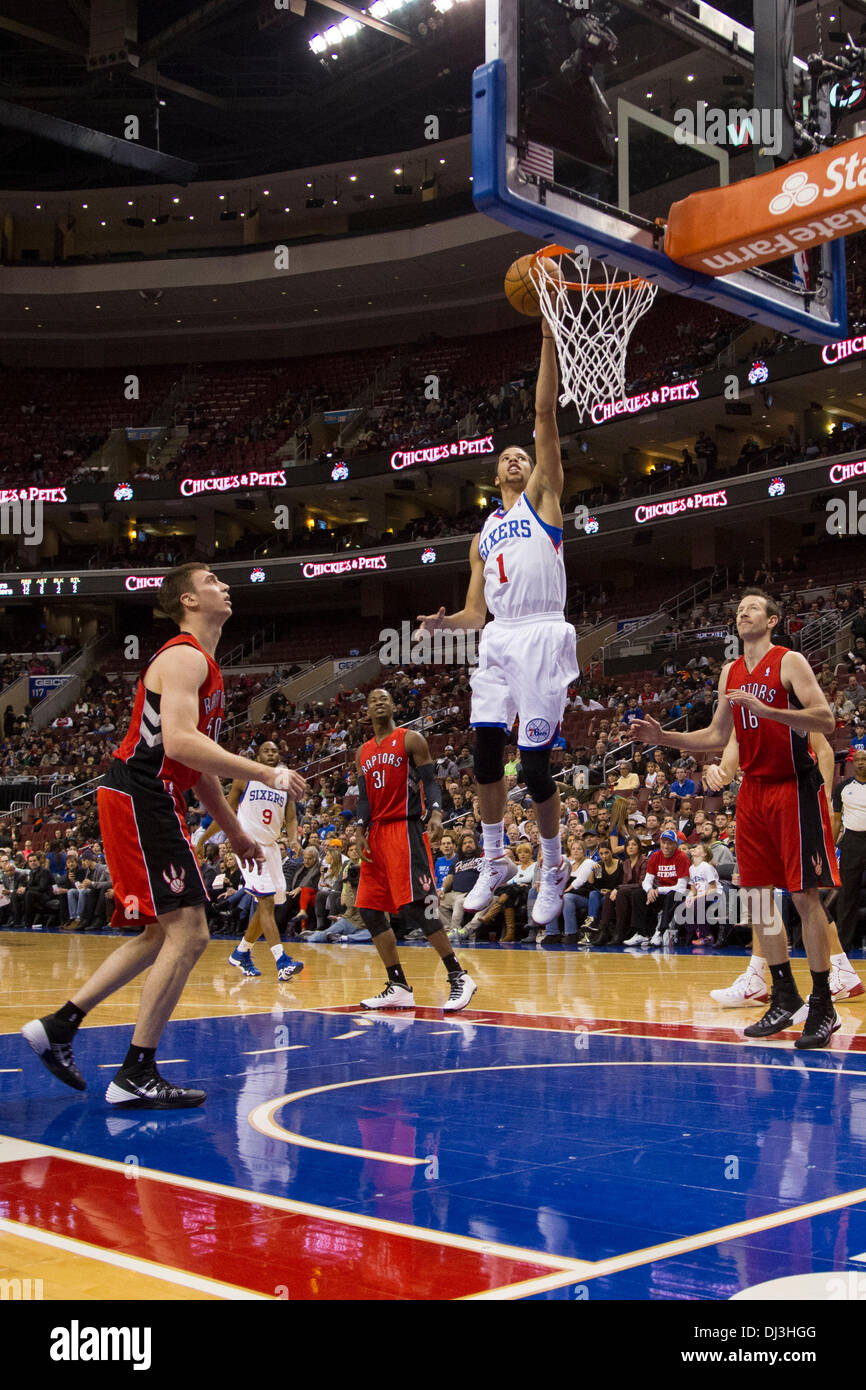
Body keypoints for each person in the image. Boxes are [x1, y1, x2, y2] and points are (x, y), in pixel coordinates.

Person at [22, 562, 306, 1108]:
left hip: (152, 794)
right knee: (192, 931)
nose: (224, 586)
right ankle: (135, 1072)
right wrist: (266, 772)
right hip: (142, 792)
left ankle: (60, 1026)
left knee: (161, 934)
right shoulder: (182, 656)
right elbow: (177, 744)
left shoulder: (204, 666)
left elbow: (198, 769)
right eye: (211, 582)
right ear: (188, 601)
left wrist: (235, 834)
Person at [415, 318, 579, 932]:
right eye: (506, 458)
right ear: (495, 476)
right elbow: (474, 613)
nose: (517, 459)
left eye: (523, 456)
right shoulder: (483, 534)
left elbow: (543, 417)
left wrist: (545, 337)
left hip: (542, 632)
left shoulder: (545, 502)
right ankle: (494, 858)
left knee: (533, 768)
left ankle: (555, 864)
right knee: (486, 756)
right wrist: (444, 622)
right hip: (498, 637)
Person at [632, 588, 841, 1048]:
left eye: (752, 607)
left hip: (794, 788)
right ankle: (783, 995)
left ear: (771, 620)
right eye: (739, 607)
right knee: (759, 900)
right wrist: (662, 736)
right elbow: (714, 735)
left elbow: (826, 720)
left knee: (804, 897)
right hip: (753, 792)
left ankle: (823, 1004)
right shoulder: (730, 671)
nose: (742, 611)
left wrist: (769, 711)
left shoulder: (789, 661)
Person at [708, 731, 862, 1007]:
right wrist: (720, 771)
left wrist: (824, 798)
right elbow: (729, 751)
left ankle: (840, 968)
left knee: (804, 894)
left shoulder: (786, 701)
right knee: (760, 892)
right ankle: (756, 976)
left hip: (795, 801)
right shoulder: (741, 709)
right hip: (761, 804)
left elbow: (825, 751)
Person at [354, 688, 476, 1011]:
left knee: (420, 907)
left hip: (405, 828)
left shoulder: (411, 739)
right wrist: (358, 830)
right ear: (366, 711)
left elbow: (430, 781)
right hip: (376, 834)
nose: (379, 702)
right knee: (369, 909)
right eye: (373, 700)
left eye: (384, 698)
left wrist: (436, 813)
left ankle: (458, 975)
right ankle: (397, 985)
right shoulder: (362, 752)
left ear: (393, 705)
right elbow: (364, 799)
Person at [196, 741, 302, 981]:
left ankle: (242, 952)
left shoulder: (285, 782)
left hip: (272, 847)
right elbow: (226, 809)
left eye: (275, 750)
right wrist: (203, 838)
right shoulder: (244, 778)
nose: (271, 753)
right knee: (265, 901)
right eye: (267, 750)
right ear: (259, 755)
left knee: (270, 904)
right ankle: (282, 961)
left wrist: (294, 839)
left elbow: (292, 817)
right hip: (248, 846)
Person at [831, 747, 866, 956]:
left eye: (865, 760)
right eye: (858, 760)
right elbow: (836, 820)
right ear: (853, 763)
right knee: (847, 894)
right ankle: (843, 946)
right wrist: (832, 845)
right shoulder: (843, 787)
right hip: (851, 841)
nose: (861, 763)